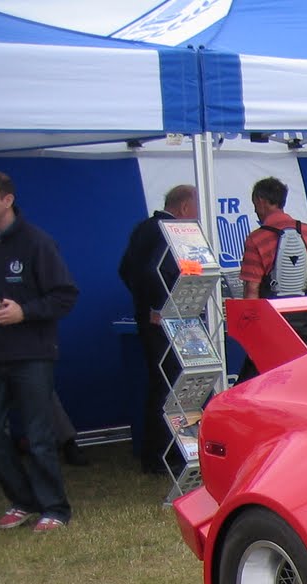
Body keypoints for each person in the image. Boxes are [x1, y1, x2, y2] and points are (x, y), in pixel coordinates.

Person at [0, 171, 79, 532]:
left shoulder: (37, 242)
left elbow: (65, 295)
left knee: (38, 433)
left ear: (8, 200)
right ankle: (22, 499)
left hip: (31, 352)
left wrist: (24, 311)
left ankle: (54, 506)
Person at [119, 183, 198, 472]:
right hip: (167, 321)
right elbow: (155, 270)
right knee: (173, 386)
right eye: (196, 209)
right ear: (185, 208)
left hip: (149, 319)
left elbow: (125, 269)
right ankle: (169, 455)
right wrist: (162, 306)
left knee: (160, 384)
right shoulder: (168, 229)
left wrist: (144, 304)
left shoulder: (144, 228)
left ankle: (153, 454)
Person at [239, 176, 307, 351]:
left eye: (254, 204)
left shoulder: (256, 239)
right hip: (304, 325)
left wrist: (251, 331)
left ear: (260, 201)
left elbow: (252, 290)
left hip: (271, 326)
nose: (255, 210)